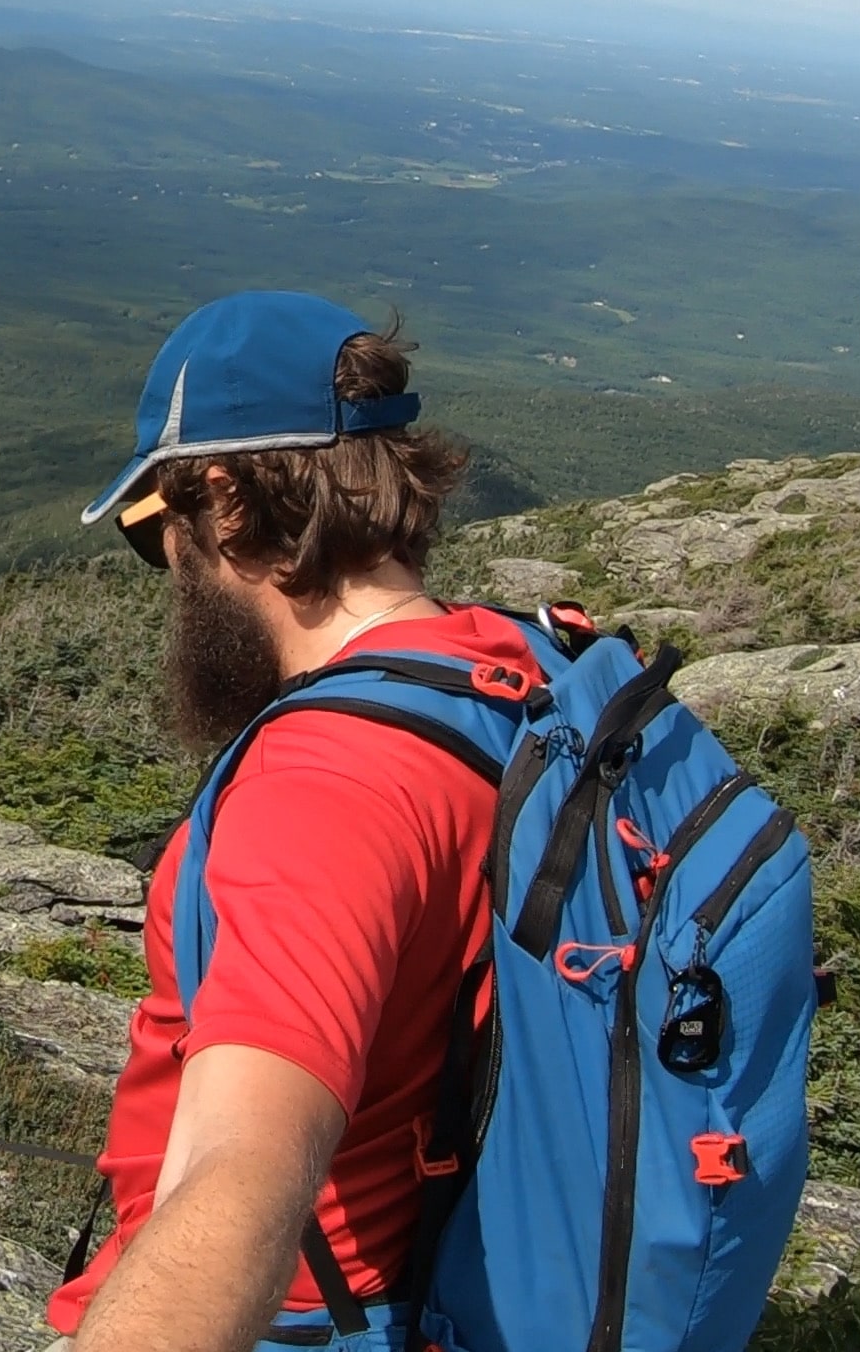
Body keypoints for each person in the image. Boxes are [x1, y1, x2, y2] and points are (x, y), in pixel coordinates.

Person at [53, 290, 522, 1352]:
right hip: (439, 1271)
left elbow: (245, 1181)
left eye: (151, 530)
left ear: (221, 498)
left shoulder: (323, 791)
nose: (166, 566)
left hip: (314, 1322)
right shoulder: (510, 673)